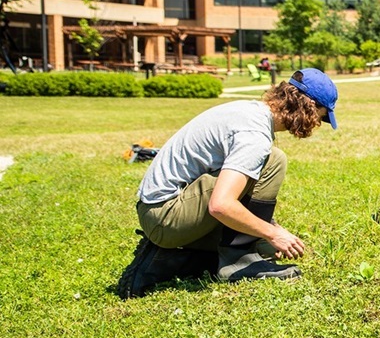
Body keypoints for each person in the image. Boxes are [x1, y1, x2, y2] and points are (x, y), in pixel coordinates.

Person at [116, 68, 338, 298]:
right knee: (273, 166)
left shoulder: (249, 111)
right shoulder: (254, 135)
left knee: (266, 247)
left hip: (161, 210)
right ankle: (233, 260)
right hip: (165, 218)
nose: (318, 124)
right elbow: (220, 205)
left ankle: (177, 257)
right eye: (321, 116)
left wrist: (268, 228)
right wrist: (272, 233)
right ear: (308, 106)